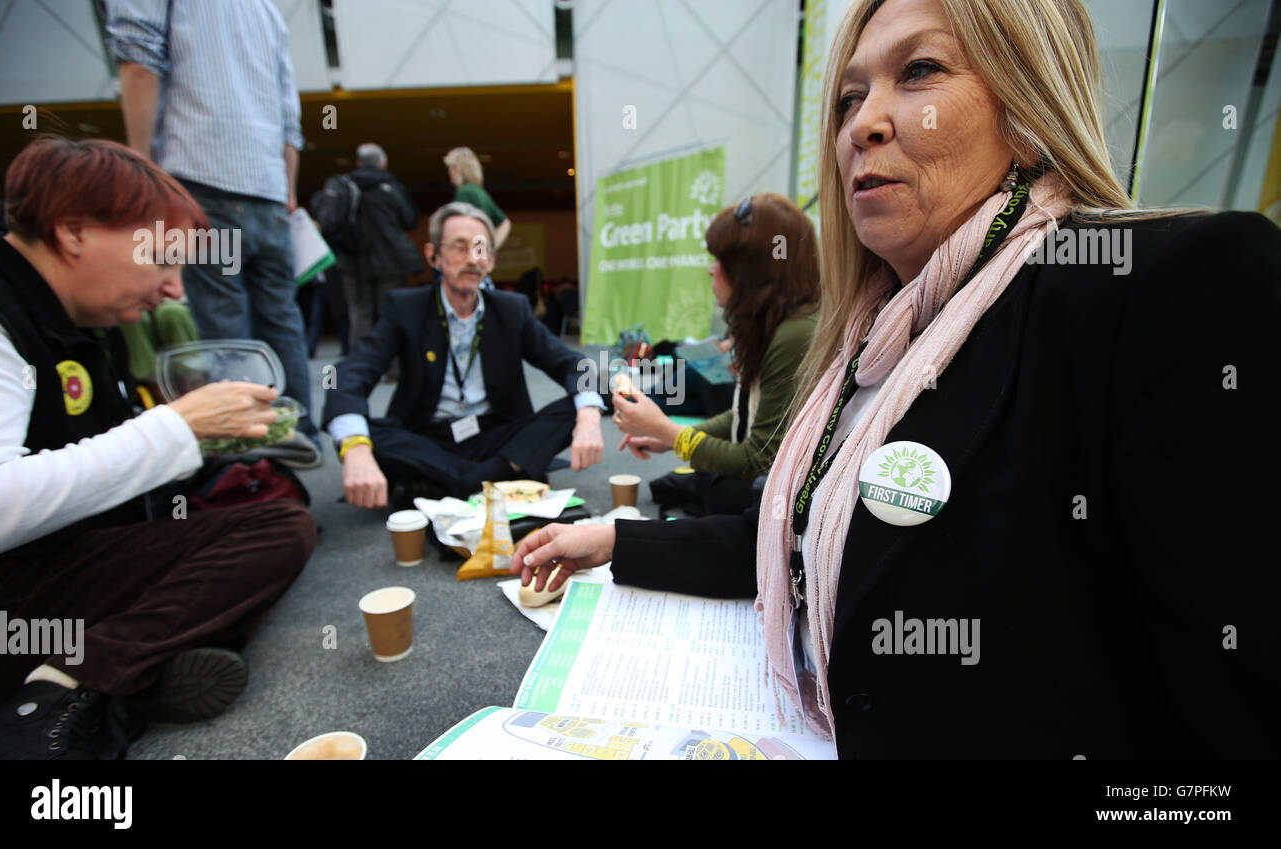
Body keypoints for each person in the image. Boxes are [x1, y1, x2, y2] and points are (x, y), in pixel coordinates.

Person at [512, 0, 1281, 759]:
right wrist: (615, 538)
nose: (862, 124)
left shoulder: (1171, 288)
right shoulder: (866, 339)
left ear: (1028, 101)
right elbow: (802, 535)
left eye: (920, 71)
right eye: (849, 97)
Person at [0, 137, 315, 760]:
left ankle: (112, 675)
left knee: (279, 522)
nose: (172, 290)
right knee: (264, 539)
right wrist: (175, 430)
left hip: (52, 568)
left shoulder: (74, 319)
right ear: (74, 231)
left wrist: (205, 442)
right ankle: (69, 691)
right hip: (1, 607)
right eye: (162, 259)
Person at [105, 0, 322, 467]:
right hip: (267, 191)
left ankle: (251, 460)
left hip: (207, 185)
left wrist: (140, 168)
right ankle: (297, 437)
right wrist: (285, 190)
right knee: (281, 320)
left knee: (226, 327)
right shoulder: (265, 10)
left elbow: (138, 59)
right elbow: (291, 118)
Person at [324, 202, 604, 506]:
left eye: (481, 248)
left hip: (495, 434)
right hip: (427, 438)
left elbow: (574, 363)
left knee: (582, 402)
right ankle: (499, 477)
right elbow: (338, 375)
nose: (472, 258)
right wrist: (355, 448)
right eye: (459, 247)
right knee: (367, 431)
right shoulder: (405, 308)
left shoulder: (513, 310)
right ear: (434, 255)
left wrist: (588, 418)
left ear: (492, 261)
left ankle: (442, 485)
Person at [612, 193, 820, 515]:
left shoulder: (794, 334)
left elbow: (757, 460)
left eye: (721, 260)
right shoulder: (777, 322)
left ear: (752, 270)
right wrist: (672, 436)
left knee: (717, 491)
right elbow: (744, 415)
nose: (711, 270)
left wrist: (667, 432)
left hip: (783, 502)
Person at [328, 143, 423, 347]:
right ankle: (393, 368)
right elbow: (410, 220)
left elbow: (331, 223)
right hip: (389, 262)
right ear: (382, 164)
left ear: (358, 162)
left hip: (353, 261)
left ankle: (359, 368)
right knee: (390, 313)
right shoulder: (392, 188)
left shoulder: (345, 186)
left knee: (359, 315)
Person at [445, 147, 512, 250]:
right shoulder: (480, 192)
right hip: (479, 250)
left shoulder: (464, 191)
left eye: (452, 167)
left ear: (461, 169)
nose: (449, 171)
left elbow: (463, 228)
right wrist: (487, 250)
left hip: (469, 253)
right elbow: (505, 223)